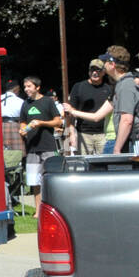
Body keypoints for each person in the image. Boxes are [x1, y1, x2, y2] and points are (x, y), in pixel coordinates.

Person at [19, 76, 62, 210]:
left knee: (50, 178)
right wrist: (22, 129)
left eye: (29, 86)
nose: (26, 89)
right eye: (25, 87)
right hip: (32, 147)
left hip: (48, 146)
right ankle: (38, 210)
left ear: (37, 87)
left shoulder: (48, 101)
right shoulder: (26, 103)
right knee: (34, 180)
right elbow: (23, 121)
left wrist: (42, 123)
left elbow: (58, 121)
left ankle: (53, 207)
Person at [101, 46, 139, 154]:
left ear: (112, 64)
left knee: (135, 170)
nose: (103, 65)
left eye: (105, 62)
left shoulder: (126, 86)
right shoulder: (122, 84)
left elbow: (127, 120)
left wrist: (117, 148)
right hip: (128, 141)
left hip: (133, 142)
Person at [64, 59, 113, 154]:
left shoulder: (109, 89)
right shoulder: (78, 87)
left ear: (103, 72)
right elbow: (70, 111)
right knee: (82, 166)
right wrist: (71, 133)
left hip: (104, 134)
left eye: (98, 70)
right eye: (92, 70)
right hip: (83, 133)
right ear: (88, 71)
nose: (95, 73)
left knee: (104, 166)